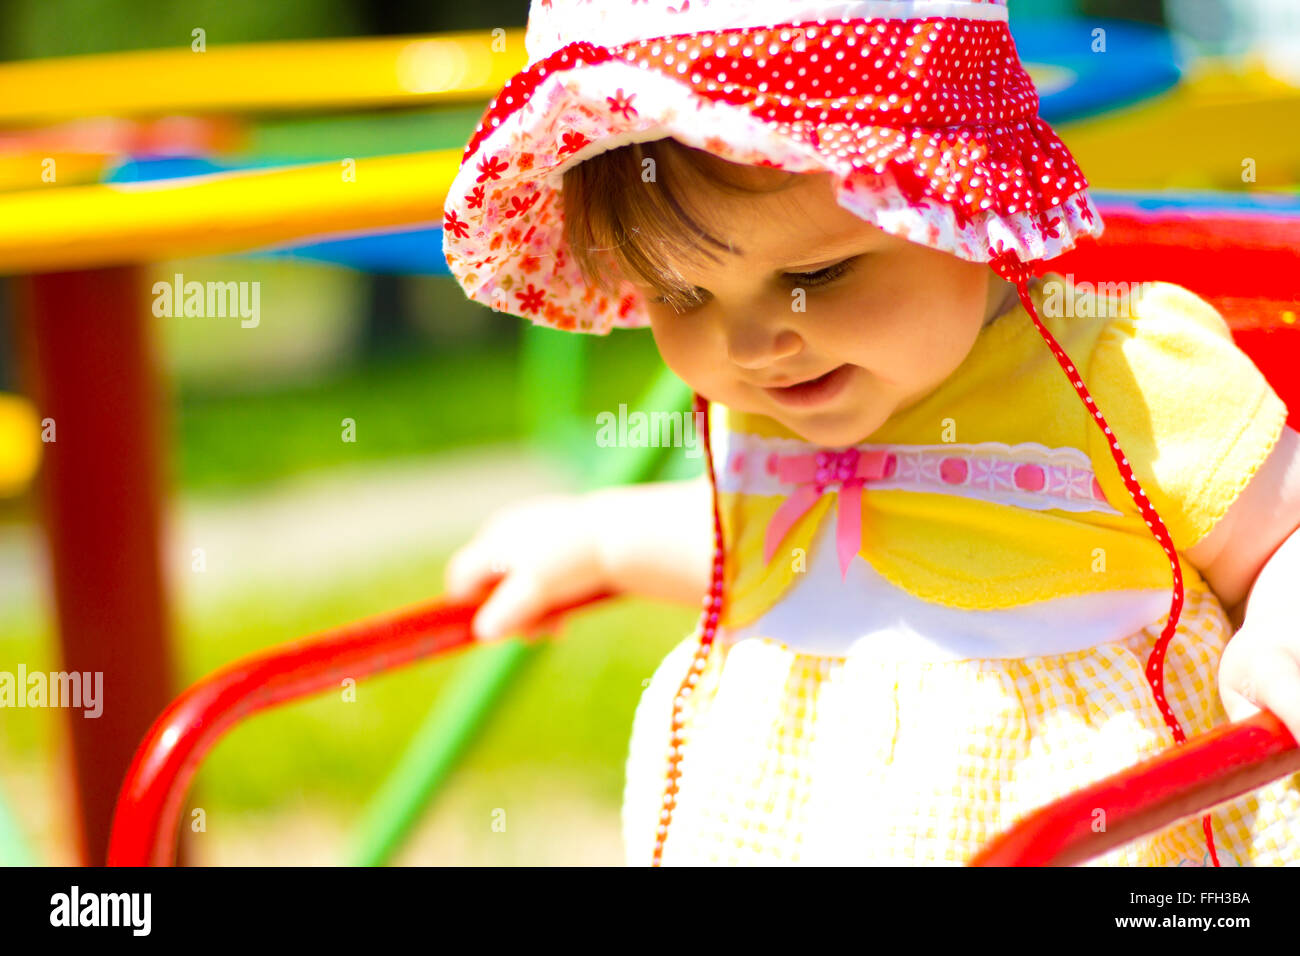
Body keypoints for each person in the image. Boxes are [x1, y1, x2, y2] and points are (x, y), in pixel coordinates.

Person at [441, 0, 1300, 865]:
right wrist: (598, 538)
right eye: (680, 296)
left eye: (818, 273)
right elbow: (760, 539)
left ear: (966, 203)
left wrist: (1285, 626)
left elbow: (1282, 532)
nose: (749, 345)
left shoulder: (1124, 377)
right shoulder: (759, 406)